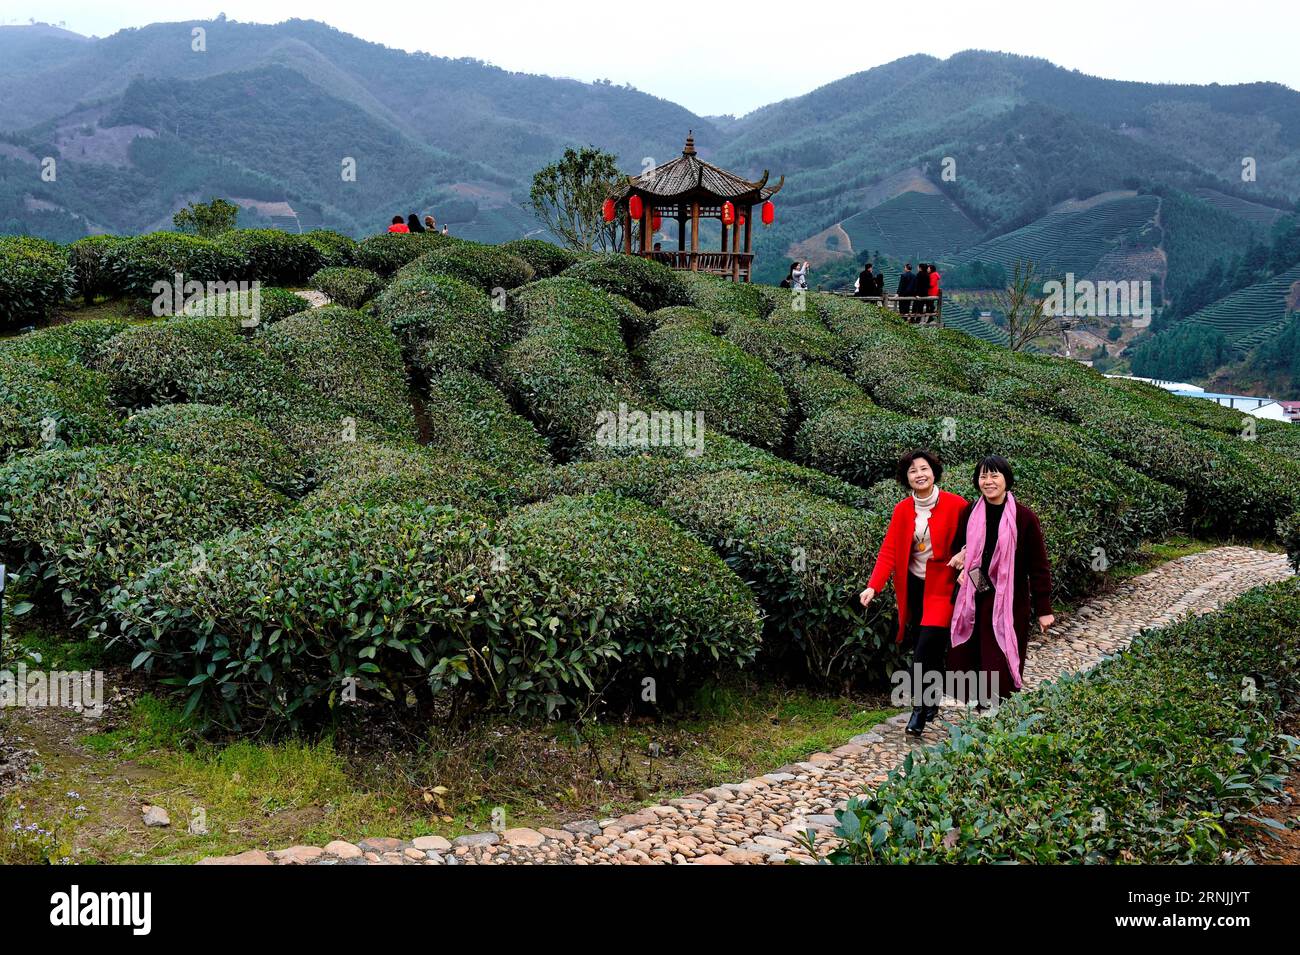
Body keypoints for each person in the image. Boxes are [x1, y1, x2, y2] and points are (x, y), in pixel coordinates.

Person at [860, 450, 967, 736]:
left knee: (923, 650)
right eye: (912, 471)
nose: (919, 474)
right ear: (906, 478)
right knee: (926, 646)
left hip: (943, 587)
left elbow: (974, 539)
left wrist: (964, 555)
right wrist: (874, 585)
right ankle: (932, 700)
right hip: (914, 588)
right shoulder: (902, 510)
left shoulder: (957, 505)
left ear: (934, 472)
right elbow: (890, 551)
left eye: (924, 469)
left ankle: (918, 710)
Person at [946, 456, 1054, 707]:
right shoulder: (970, 512)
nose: (988, 481)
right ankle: (980, 711)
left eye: (994, 475)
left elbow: (1038, 565)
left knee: (1000, 656)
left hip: (1009, 601)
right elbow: (959, 550)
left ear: (1006, 479)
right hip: (976, 595)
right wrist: (963, 565)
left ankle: (997, 712)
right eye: (983, 476)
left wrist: (1044, 609)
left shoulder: (1024, 517)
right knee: (973, 656)